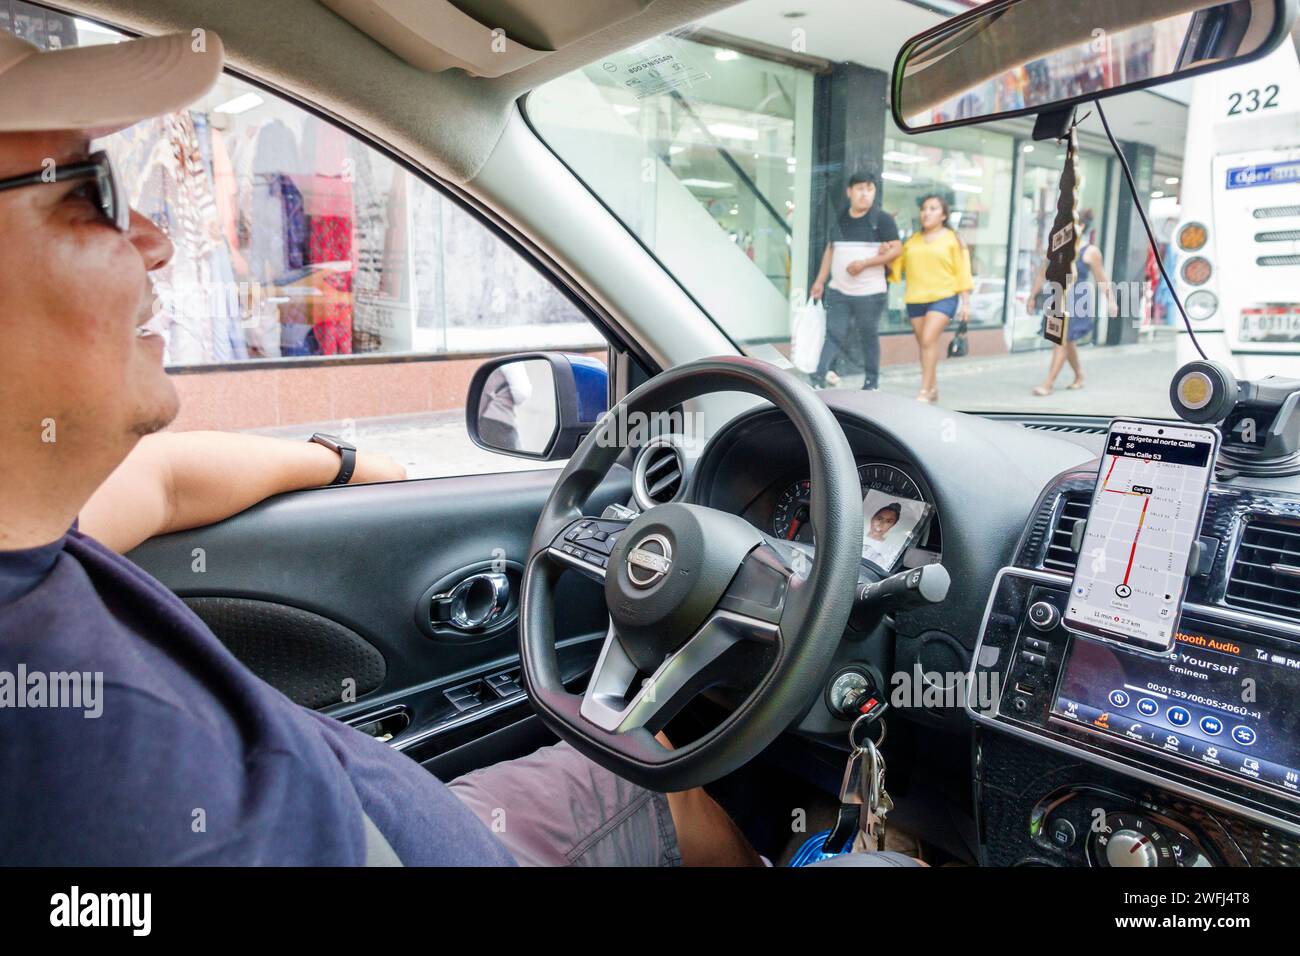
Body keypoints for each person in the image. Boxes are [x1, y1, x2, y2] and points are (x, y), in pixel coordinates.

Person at [0, 29, 782, 867]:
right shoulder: (93, 787)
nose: (154, 238)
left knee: (646, 776)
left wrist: (345, 464)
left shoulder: (27, 529)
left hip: (403, 815)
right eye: (94, 193)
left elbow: (165, 481)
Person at [809, 171, 901, 390]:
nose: (864, 194)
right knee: (834, 332)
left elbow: (897, 250)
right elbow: (830, 250)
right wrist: (820, 281)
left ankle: (871, 381)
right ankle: (819, 376)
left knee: (868, 335)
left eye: (869, 189)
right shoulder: (841, 217)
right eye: (860, 189)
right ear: (849, 191)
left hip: (869, 292)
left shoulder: (882, 219)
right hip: (839, 289)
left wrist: (866, 263)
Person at [890, 194, 973, 404]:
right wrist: (887, 251)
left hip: (944, 297)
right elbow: (897, 268)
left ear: (944, 215)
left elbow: (963, 270)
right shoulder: (912, 241)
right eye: (924, 208)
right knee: (926, 345)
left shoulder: (953, 239)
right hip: (915, 298)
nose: (927, 212)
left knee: (928, 339)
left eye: (933, 208)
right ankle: (933, 388)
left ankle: (925, 390)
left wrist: (965, 303)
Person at [1028, 211, 1108, 396]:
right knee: (1066, 341)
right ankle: (1079, 375)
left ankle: (1048, 384)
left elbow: (1101, 278)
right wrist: (1032, 296)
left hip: (1076, 302)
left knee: (1061, 341)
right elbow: (1042, 274)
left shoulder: (1090, 252)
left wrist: (1111, 301)